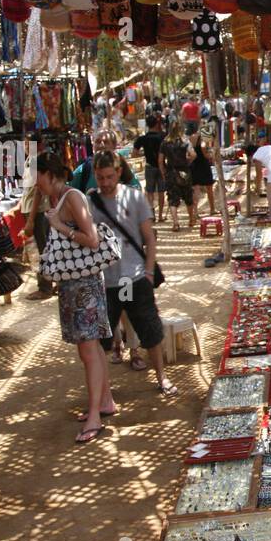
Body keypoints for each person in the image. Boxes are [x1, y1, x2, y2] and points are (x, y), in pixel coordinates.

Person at [37, 152, 115, 444]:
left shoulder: (71, 197)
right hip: (74, 285)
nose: (36, 184)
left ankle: (95, 415)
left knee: (88, 350)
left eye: (37, 177)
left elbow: (92, 239)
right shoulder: (57, 199)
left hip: (84, 285)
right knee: (90, 349)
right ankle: (104, 402)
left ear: (48, 173)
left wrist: (61, 228)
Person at [88, 151, 177, 397]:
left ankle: (161, 377)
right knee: (101, 339)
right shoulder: (91, 202)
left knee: (150, 330)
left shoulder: (135, 198)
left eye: (108, 176)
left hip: (134, 278)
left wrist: (148, 272)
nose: (104, 183)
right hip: (107, 281)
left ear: (118, 172)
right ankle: (103, 392)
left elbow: (149, 238)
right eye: (99, 177)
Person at [71, 130, 139, 193]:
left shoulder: (122, 166)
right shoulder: (84, 169)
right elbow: (69, 190)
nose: (101, 145)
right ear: (93, 145)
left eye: (106, 142)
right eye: (98, 142)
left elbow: (136, 191)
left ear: (114, 146)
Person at [159, 120, 195, 232]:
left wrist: (164, 172)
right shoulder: (185, 140)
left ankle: (176, 223)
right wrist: (187, 162)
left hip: (171, 172)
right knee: (188, 196)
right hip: (184, 172)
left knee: (172, 199)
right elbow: (193, 154)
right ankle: (191, 219)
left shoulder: (165, 142)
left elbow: (160, 161)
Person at [133, 115, 166, 223]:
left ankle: (152, 215)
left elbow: (134, 153)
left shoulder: (142, 138)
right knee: (161, 191)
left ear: (147, 124)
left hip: (149, 166)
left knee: (150, 191)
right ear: (156, 124)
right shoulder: (163, 137)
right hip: (161, 167)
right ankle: (160, 215)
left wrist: (144, 153)